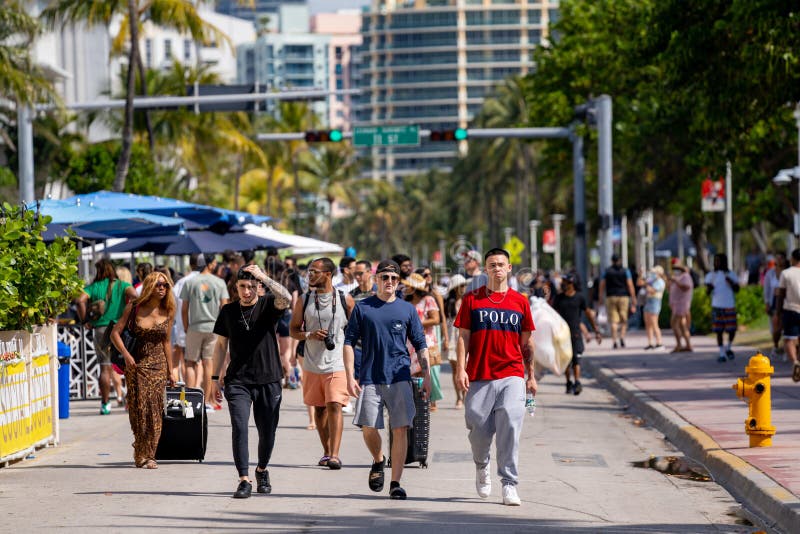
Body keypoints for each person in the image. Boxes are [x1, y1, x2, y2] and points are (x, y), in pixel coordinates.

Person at [454, 248, 536, 506]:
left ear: (510, 268)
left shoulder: (520, 301)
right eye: (492, 265)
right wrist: (460, 369)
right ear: (486, 269)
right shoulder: (472, 299)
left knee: (511, 424)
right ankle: (482, 464)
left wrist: (530, 376)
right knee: (478, 426)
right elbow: (463, 336)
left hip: (512, 373)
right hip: (479, 373)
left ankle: (509, 483)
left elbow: (527, 342)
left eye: (501, 264)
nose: (497, 268)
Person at [344, 259, 431, 500]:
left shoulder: (407, 310)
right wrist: (350, 374)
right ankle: (378, 459)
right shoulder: (364, 308)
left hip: (400, 376)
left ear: (398, 282)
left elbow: (420, 344)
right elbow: (349, 342)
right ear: (376, 279)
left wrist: (427, 375)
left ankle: (395, 482)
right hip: (370, 376)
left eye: (393, 278)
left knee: (400, 428)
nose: (389, 282)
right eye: (385, 278)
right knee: (368, 426)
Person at [211, 265, 292, 499]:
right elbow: (220, 346)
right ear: (235, 287)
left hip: (269, 378)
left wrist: (263, 277)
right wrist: (215, 378)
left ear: (258, 286)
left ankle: (262, 470)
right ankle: (243, 479)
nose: (247, 292)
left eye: (251, 286)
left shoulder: (268, 305)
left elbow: (286, 297)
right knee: (239, 426)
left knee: (267, 432)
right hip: (238, 380)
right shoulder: (228, 312)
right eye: (242, 287)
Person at [289, 258, 354, 470]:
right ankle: (326, 450)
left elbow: (355, 331)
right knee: (319, 410)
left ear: (328, 274)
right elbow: (293, 330)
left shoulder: (345, 299)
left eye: (314, 272)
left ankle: (335, 454)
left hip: (337, 363)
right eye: (309, 272)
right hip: (312, 363)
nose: (310, 276)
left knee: (334, 405)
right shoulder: (304, 300)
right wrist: (309, 334)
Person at [111, 272, 175, 469]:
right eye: (158, 285)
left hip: (158, 365)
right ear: (149, 287)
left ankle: (150, 455)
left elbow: (166, 342)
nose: (162, 288)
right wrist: (127, 356)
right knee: (139, 410)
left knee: (155, 410)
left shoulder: (169, 310)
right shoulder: (134, 307)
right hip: (136, 364)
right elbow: (115, 333)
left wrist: (171, 371)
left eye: (165, 285)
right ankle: (140, 448)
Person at [76, 258, 137, 415]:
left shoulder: (94, 287)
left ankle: (105, 404)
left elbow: (80, 301)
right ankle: (129, 401)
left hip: (101, 329)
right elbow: (135, 296)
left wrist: (85, 321)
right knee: (128, 365)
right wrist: (129, 314)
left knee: (104, 367)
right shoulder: (123, 285)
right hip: (120, 329)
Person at [181, 254, 229, 407]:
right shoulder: (219, 282)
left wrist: (187, 327)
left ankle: (189, 401)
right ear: (211, 264)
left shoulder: (190, 282)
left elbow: (184, 309)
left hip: (194, 326)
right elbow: (224, 308)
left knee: (190, 363)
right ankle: (208, 401)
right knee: (209, 364)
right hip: (214, 327)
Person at [552, 272, 602, 396]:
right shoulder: (558, 298)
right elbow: (552, 315)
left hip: (575, 333)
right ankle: (568, 381)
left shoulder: (580, 297)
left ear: (572, 283)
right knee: (566, 360)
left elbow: (588, 314)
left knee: (576, 359)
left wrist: (596, 330)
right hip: (561, 334)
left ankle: (577, 382)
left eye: (565, 282)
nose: (562, 284)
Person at [403, 272, 443, 411]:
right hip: (409, 343)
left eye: (408, 286)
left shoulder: (428, 300)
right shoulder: (405, 302)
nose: (405, 288)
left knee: (424, 373)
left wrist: (417, 323)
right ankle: (415, 402)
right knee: (412, 373)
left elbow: (436, 319)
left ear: (414, 288)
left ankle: (426, 402)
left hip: (425, 341)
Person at [705, 253, 740, 363]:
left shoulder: (731, 274)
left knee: (732, 329)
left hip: (729, 305)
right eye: (715, 261)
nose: (717, 263)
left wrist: (731, 283)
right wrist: (709, 288)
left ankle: (728, 347)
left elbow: (737, 289)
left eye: (719, 261)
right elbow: (707, 292)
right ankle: (721, 353)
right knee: (718, 330)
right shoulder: (711, 275)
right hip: (717, 305)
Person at [598, 254, 637, 349]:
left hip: (610, 297)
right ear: (619, 260)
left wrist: (600, 297)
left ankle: (614, 341)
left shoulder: (607, 271)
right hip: (623, 297)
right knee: (624, 319)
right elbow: (630, 284)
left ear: (611, 261)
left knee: (613, 321)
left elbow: (602, 285)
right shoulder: (625, 271)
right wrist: (633, 297)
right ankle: (622, 338)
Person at [171, 254, 199, 383]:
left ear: (190, 264)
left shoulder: (182, 282)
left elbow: (175, 305)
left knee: (188, 362)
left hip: (185, 327)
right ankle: (204, 395)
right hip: (207, 326)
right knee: (204, 362)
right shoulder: (210, 280)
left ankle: (192, 393)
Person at [776, 249, 800, 382]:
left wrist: (778, 313)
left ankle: (795, 362)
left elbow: (781, 294)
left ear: (793, 259)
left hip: (790, 309)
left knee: (789, 339)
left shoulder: (786, 273)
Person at [444, 274, 467, 408]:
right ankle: (458, 397)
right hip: (452, 335)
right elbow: (444, 322)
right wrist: (445, 339)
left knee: (464, 367)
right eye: (461, 286)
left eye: (464, 285)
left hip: (464, 336)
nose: (463, 288)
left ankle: (465, 395)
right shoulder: (448, 303)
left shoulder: (468, 300)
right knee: (455, 369)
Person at [763, 253, 786, 360]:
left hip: (786, 302)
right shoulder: (770, 274)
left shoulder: (787, 272)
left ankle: (786, 349)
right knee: (775, 329)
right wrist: (767, 302)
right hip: (775, 303)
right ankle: (776, 346)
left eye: (780, 260)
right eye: (777, 260)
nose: (778, 262)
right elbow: (766, 289)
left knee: (786, 327)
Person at [669, 259, 694, 352]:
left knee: (674, 324)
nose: (675, 270)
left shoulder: (685, 277)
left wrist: (676, 281)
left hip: (681, 305)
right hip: (677, 305)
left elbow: (686, 287)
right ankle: (688, 345)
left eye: (676, 268)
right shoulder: (679, 277)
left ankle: (679, 345)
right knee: (683, 326)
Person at [643, 266, 666, 350]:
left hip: (655, 302)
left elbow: (652, 290)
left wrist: (647, 285)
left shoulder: (660, 282)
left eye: (654, 272)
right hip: (648, 301)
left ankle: (659, 343)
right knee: (648, 324)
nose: (653, 274)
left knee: (654, 323)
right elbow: (640, 283)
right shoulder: (651, 281)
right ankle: (650, 343)